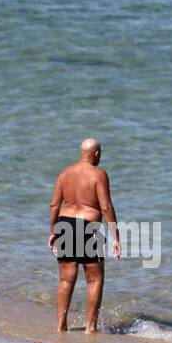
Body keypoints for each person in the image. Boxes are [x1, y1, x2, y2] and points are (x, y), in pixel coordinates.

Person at [48, 138, 119, 333]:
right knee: (95, 279)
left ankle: (61, 325)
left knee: (65, 279)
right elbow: (106, 207)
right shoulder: (99, 174)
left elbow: (54, 204)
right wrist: (116, 237)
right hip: (89, 227)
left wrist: (53, 230)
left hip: (65, 224)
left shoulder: (64, 174)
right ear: (97, 154)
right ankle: (90, 327)